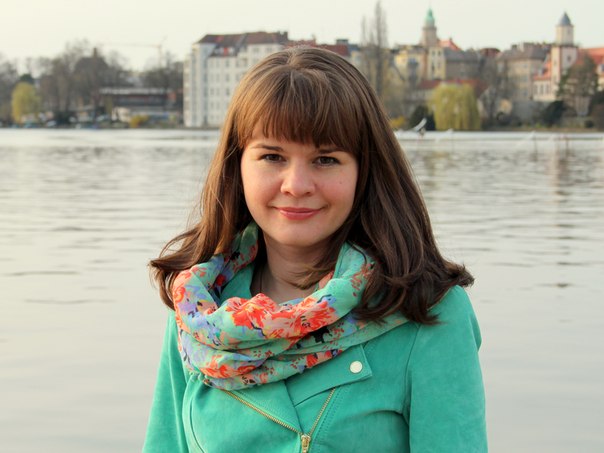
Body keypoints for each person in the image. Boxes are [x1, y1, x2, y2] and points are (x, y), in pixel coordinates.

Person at [143, 47, 487, 452]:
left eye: (325, 159)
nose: (296, 185)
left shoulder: (427, 312)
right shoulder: (199, 309)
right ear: (238, 165)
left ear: (365, 171)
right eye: (272, 156)